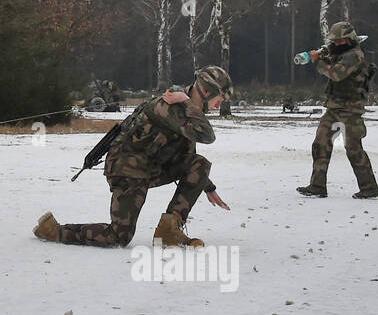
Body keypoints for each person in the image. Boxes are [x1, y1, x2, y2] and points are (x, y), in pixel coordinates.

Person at [34, 65, 233, 248]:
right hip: (128, 169)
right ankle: (55, 231)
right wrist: (188, 102)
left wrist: (207, 185)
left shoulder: (187, 111)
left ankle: (169, 231)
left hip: (152, 166)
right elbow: (208, 136)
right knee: (118, 236)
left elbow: (188, 155)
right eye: (220, 99)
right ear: (206, 91)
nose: (219, 105)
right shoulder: (169, 106)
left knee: (199, 163)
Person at [296, 21, 378, 199]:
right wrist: (324, 56)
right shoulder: (341, 53)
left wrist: (318, 61)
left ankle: (369, 188)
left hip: (351, 109)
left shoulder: (354, 55)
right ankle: (317, 185)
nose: (337, 44)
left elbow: (336, 74)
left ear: (349, 39)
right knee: (320, 144)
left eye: (341, 41)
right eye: (335, 41)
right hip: (334, 107)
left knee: (353, 149)